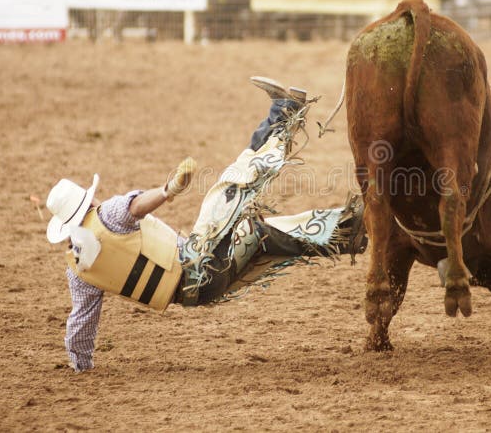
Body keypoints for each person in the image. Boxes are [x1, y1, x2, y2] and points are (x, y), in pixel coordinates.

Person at [46, 77, 367, 372]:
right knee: (230, 188)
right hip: (199, 261)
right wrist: (168, 191)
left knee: (262, 236)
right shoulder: (108, 214)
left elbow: (80, 324)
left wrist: (81, 365)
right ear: (87, 202)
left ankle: (351, 232)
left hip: (198, 294)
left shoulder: (80, 272)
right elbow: (137, 205)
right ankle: (284, 115)